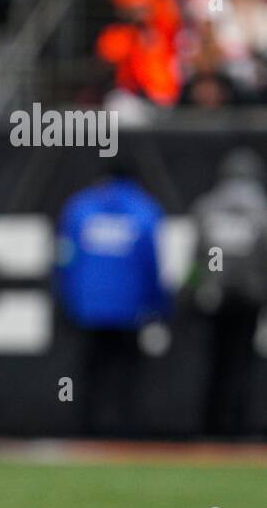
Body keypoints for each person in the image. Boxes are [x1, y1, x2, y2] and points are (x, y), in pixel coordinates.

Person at [55, 162, 171, 437]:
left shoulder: (80, 207)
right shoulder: (145, 209)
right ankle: (124, 431)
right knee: (126, 373)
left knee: (92, 370)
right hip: (130, 308)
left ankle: (88, 427)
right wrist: (158, 306)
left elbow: (65, 259)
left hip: (89, 306)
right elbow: (151, 264)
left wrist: (67, 298)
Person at [188, 149, 267, 436]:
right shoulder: (261, 208)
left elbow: (198, 257)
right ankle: (239, 426)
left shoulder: (208, 206)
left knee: (215, 362)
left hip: (215, 296)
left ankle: (212, 426)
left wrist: (203, 286)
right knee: (243, 363)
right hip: (250, 297)